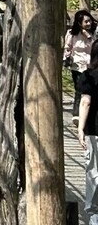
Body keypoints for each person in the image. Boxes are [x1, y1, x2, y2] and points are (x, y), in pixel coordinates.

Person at [78, 38, 98, 224]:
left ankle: (94, 216)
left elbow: (86, 101)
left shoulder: (88, 76)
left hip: (94, 130)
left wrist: (80, 127)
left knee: (93, 171)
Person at [66, 10, 96, 118]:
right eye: (86, 22)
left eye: (90, 21)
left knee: (90, 90)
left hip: (91, 66)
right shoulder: (71, 34)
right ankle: (76, 114)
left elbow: (96, 47)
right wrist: (67, 57)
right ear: (79, 23)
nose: (89, 24)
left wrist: (89, 37)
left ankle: (87, 114)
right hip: (77, 65)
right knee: (79, 89)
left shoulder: (94, 33)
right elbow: (68, 47)